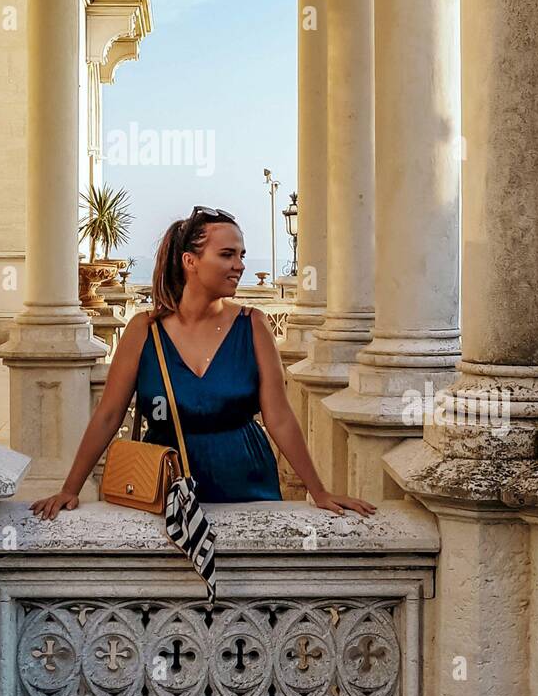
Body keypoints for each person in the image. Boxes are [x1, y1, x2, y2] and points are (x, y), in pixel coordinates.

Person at [30, 205, 377, 522]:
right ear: (190, 261)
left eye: (241, 255)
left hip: (248, 486)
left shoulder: (253, 325)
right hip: (166, 491)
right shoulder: (144, 330)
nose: (239, 264)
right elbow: (108, 414)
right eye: (227, 254)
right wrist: (70, 489)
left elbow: (280, 417)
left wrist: (318, 491)